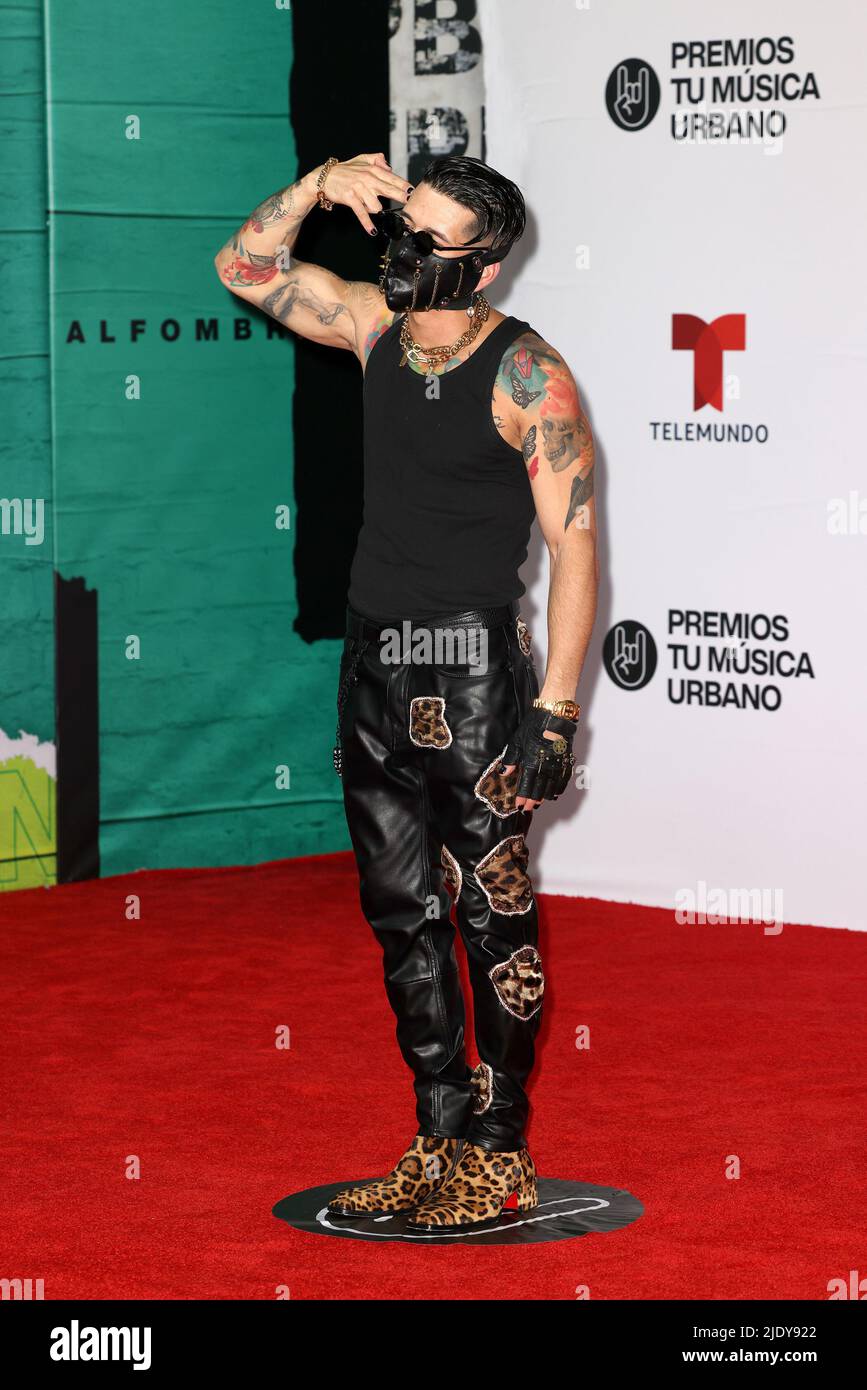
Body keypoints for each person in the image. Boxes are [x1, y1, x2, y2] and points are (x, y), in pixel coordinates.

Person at [215, 152, 598, 1231]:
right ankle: (436, 1136)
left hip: (475, 675)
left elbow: (575, 545)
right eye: (401, 227)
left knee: (494, 915)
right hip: (373, 664)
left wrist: (558, 705)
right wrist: (313, 187)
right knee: (401, 913)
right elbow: (244, 268)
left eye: (426, 239)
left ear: (479, 267)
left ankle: (501, 1147)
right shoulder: (374, 325)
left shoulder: (531, 377)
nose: (400, 249)